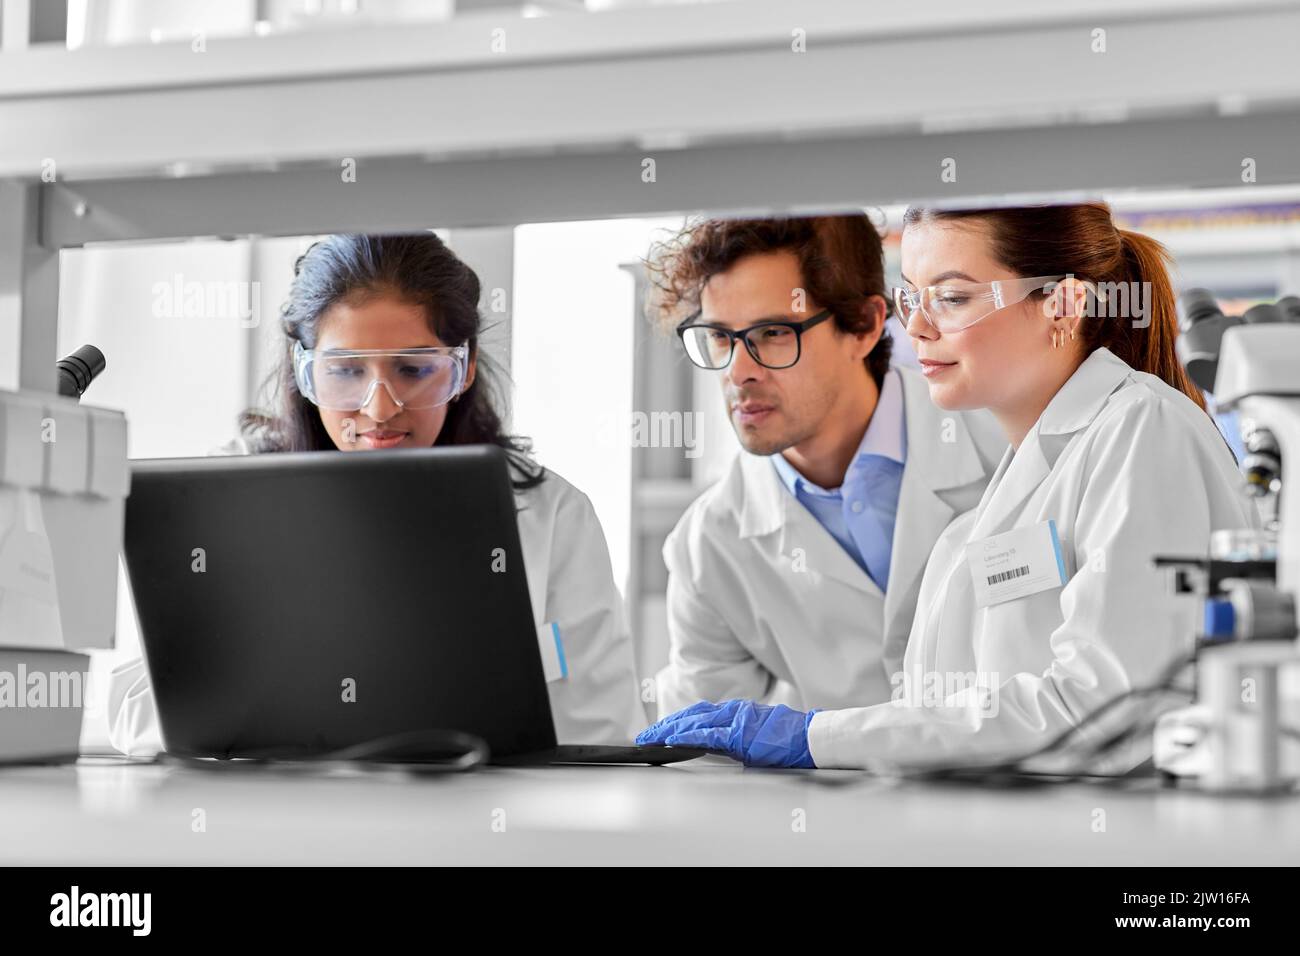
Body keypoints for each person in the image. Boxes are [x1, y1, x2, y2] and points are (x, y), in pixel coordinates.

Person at [639, 202, 1259, 770]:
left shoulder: (1140, 430)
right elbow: (955, 716)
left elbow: (1110, 708)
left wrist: (819, 737)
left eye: (954, 299)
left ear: (1063, 307)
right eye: (914, 299)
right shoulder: (1018, 476)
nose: (918, 330)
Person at [107, 233, 644, 755]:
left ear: (465, 366)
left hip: (474, 829)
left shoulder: (551, 516)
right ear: (304, 372)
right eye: (345, 371)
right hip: (274, 822)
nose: (380, 408)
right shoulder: (213, 507)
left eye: (414, 370)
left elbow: (600, 733)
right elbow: (135, 713)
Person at [644, 215, 1005, 718]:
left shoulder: (1005, 447)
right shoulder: (709, 544)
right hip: (838, 796)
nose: (737, 372)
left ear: (862, 325)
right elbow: (701, 750)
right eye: (721, 338)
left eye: (771, 332)